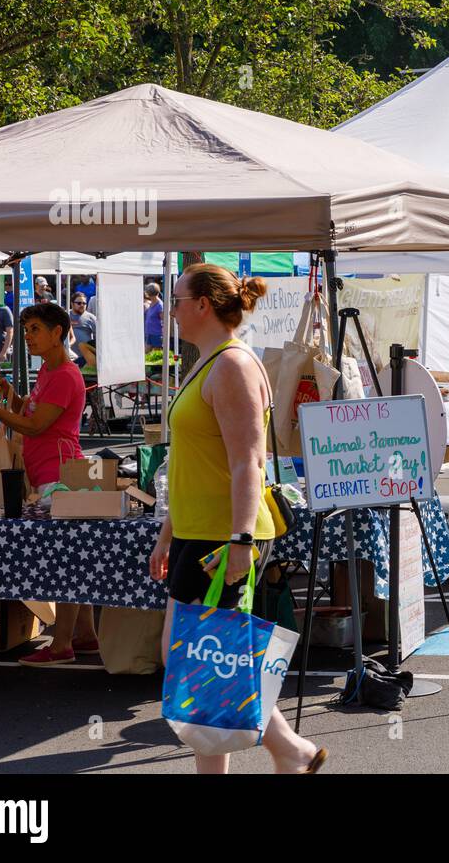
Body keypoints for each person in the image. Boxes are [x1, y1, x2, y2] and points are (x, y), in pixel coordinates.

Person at [148, 263, 326, 774]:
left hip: (223, 536)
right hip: (196, 532)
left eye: (177, 300)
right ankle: (291, 750)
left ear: (202, 304)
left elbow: (249, 461)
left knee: (201, 660)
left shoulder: (232, 365)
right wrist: (167, 533)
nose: (171, 310)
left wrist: (241, 540)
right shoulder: (208, 362)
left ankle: (291, 750)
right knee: (205, 659)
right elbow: (190, 464)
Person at [0, 302, 95, 665]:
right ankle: (84, 635)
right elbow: (29, 412)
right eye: (26, 329)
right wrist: (8, 394)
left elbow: (36, 426)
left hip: (61, 477)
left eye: (34, 329)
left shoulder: (64, 374)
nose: (27, 337)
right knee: (72, 558)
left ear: (57, 332)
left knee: (65, 560)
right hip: (49, 474)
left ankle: (62, 644)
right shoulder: (48, 372)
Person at [69, 293, 97, 369]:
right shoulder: (65, 315)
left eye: (84, 303)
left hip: (85, 359)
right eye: (79, 303)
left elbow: (98, 338)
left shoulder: (91, 318)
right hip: (68, 357)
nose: (82, 305)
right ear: (72, 303)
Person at [144, 282, 164, 350]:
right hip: (149, 333)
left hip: (157, 334)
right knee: (146, 353)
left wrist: (163, 335)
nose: (148, 295)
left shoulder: (160, 305)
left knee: (156, 354)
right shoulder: (151, 303)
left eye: (149, 294)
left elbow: (164, 321)